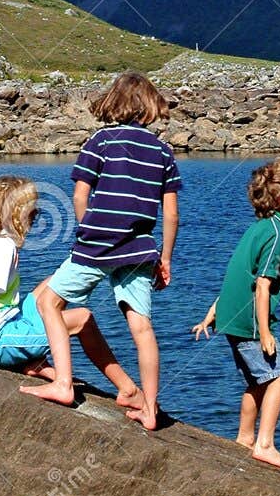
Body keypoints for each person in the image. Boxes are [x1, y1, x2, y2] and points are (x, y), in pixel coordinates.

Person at [30, 73, 181, 429]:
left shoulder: (98, 140)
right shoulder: (163, 151)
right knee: (142, 328)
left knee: (48, 302)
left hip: (96, 243)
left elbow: (81, 196)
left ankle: (63, 383)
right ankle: (149, 409)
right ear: (149, 106)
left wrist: (86, 230)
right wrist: (165, 258)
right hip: (140, 248)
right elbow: (171, 214)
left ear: (115, 101)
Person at [0, 174, 141, 405]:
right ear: (16, 213)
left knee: (55, 283)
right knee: (83, 318)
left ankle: (33, 363)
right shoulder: (1, 249)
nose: (36, 214)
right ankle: (125, 389)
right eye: (32, 209)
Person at [192, 158, 280, 471]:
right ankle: (265, 444)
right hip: (250, 323)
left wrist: (212, 315)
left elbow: (235, 276)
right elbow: (261, 284)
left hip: (232, 318)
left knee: (257, 381)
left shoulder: (258, 229)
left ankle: (244, 437)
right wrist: (266, 332)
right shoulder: (277, 234)